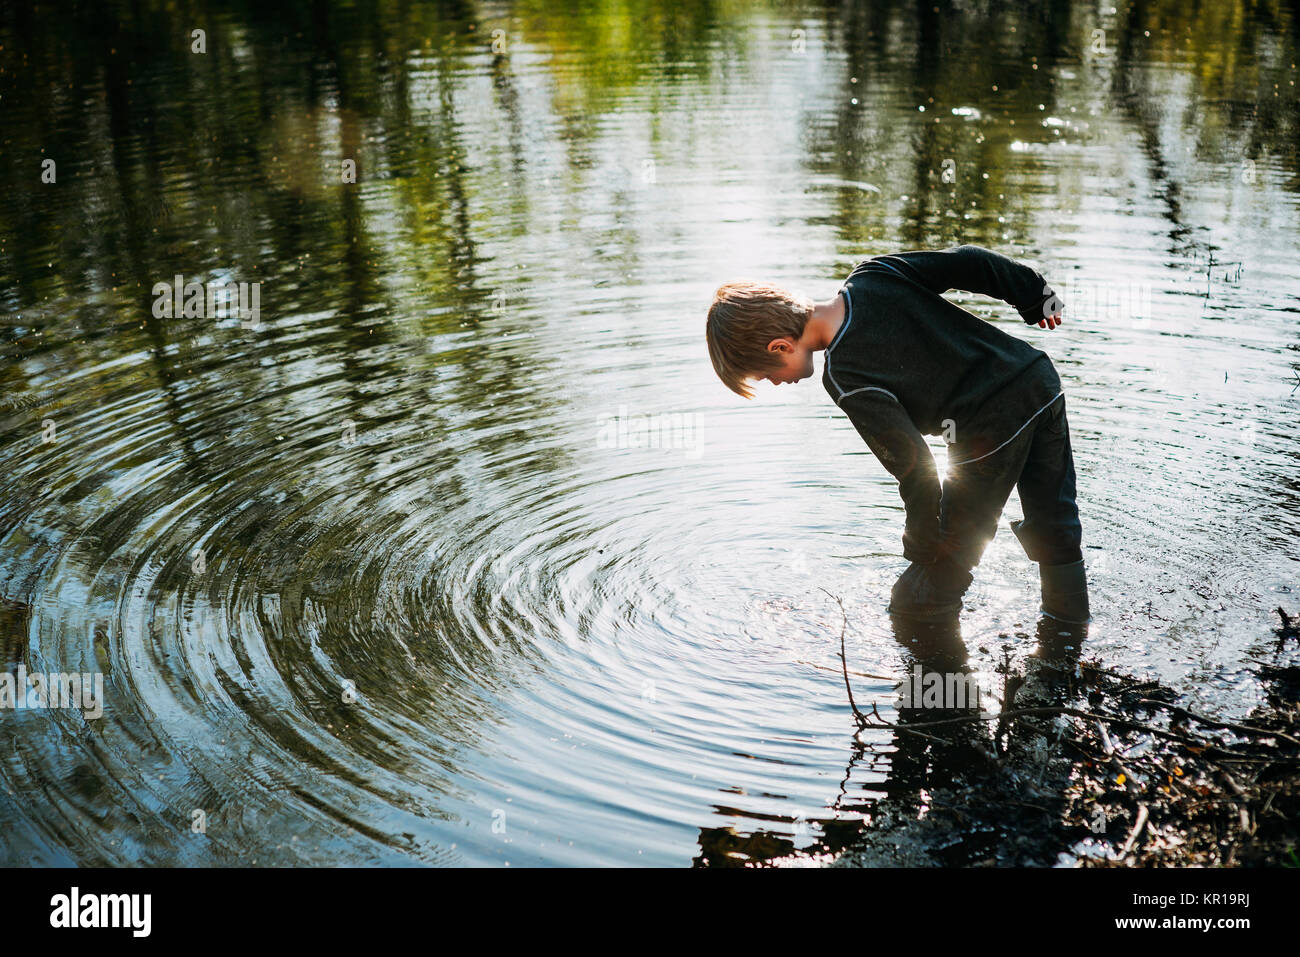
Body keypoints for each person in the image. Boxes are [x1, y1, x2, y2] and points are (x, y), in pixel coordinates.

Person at [704, 244, 1088, 622]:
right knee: (1054, 518)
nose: (775, 383)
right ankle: (1069, 634)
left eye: (767, 375)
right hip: (1038, 381)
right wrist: (1033, 293)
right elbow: (967, 262)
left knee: (921, 591)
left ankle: (933, 662)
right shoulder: (874, 275)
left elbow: (914, 468)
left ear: (781, 346)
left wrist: (922, 545)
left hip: (990, 423)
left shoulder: (845, 376)